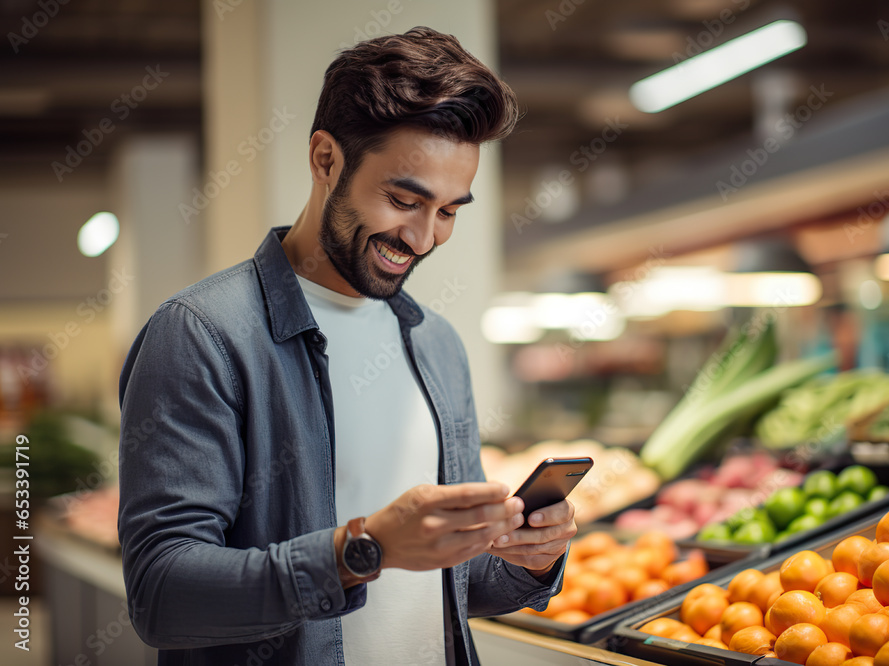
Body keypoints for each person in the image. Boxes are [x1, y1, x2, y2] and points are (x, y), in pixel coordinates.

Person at [117, 27, 576, 666]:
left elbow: (455, 582)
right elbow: (163, 595)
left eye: (448, 211)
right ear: (326, 158)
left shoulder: (436, 345)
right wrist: (366, 549)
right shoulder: (202, 334)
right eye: (403, 200)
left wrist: (534, 557)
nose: (423, 238)